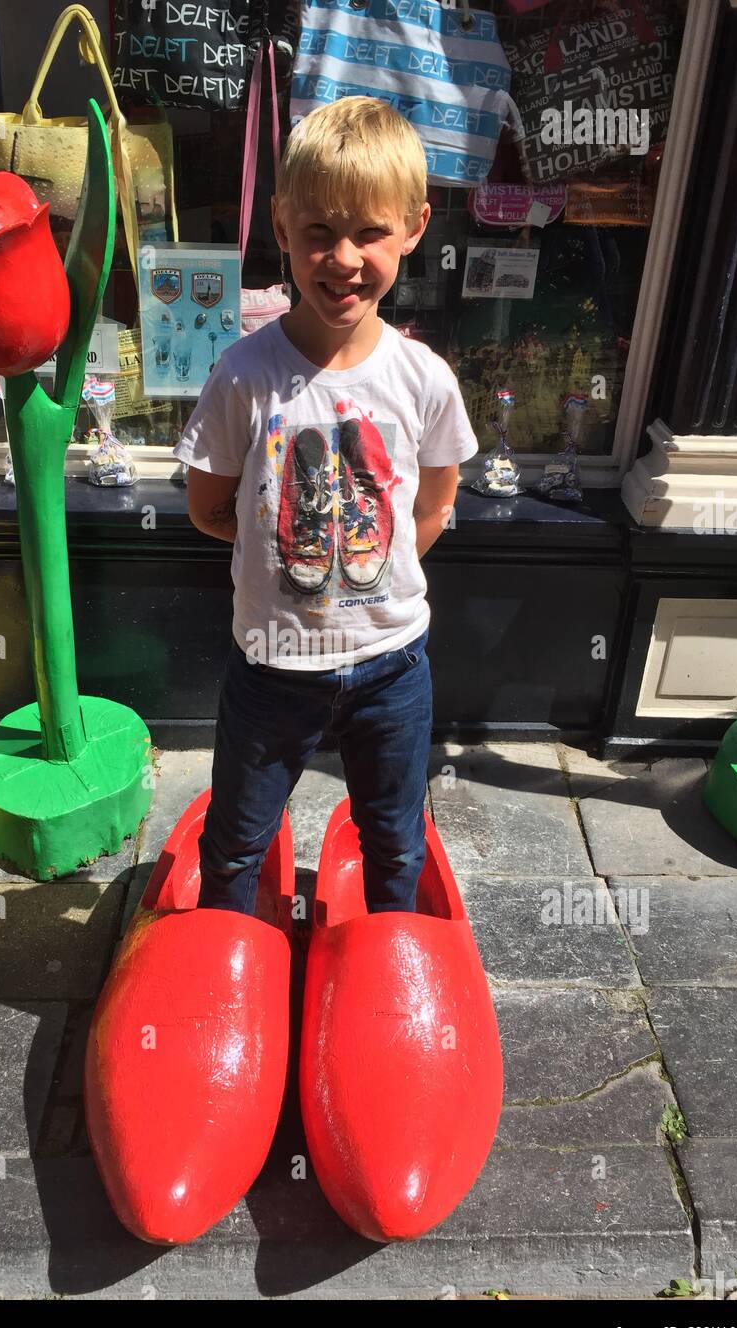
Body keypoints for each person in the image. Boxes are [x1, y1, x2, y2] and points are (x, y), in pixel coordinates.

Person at [175, 96, 479, 917]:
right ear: (280, 222)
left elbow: (431, 511)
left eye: (369, 233)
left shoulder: (424, 380)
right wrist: (280, 546)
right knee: (237, 836)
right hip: (272, 666)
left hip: (393, 664)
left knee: (395, 836)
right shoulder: (244, 374)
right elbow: (209, 507)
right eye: (318, 232)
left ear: (414, 228)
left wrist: (363, 584)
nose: (342, 258)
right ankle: (226, 968)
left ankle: (386, 967)